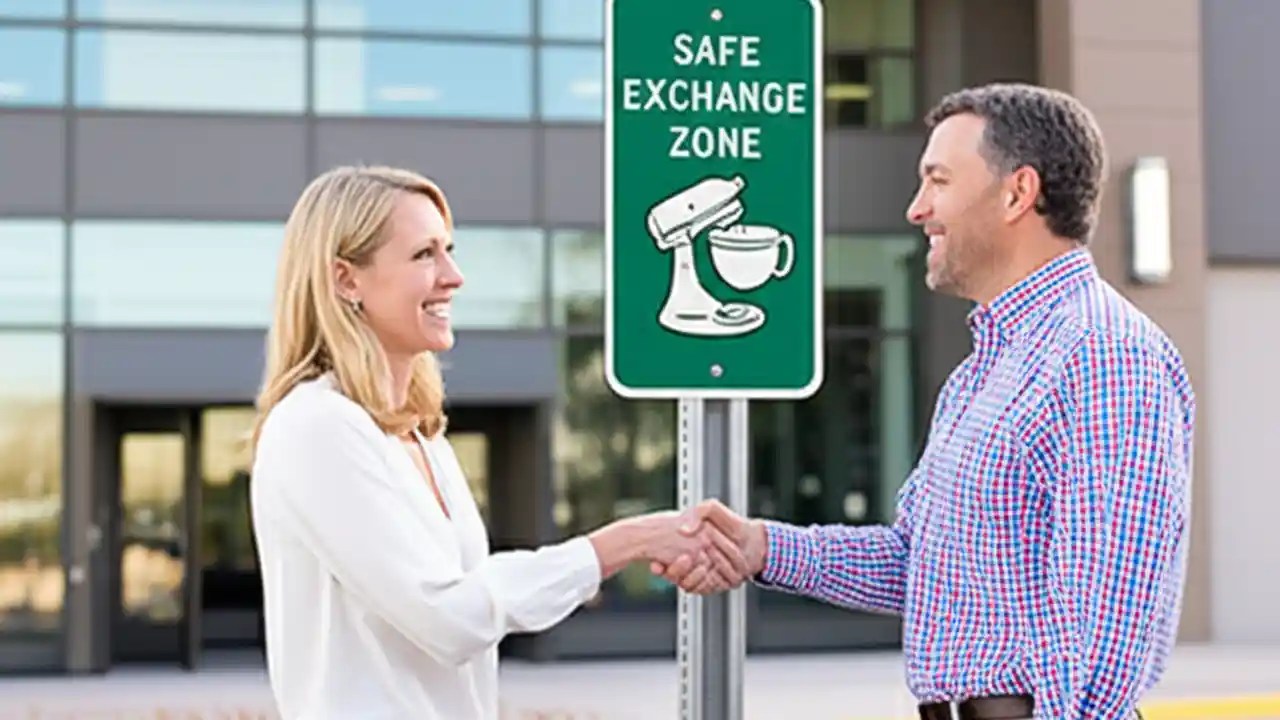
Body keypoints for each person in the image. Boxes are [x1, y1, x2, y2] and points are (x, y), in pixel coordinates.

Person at [656, 83, 1196, 720]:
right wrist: (763, 548)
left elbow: (1108, 631)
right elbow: (924, 563)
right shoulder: (985, 370)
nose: (917, 210)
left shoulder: (1105, 355)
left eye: (937, 181)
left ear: (1018, 193)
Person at [247, 165, 747, 720]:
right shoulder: (317, 427)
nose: (454, 276)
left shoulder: (418, 432)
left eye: (449, 250)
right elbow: (451, 617)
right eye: (424, 255)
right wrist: (621, 544)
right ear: (346, 280)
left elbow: (468, 611)